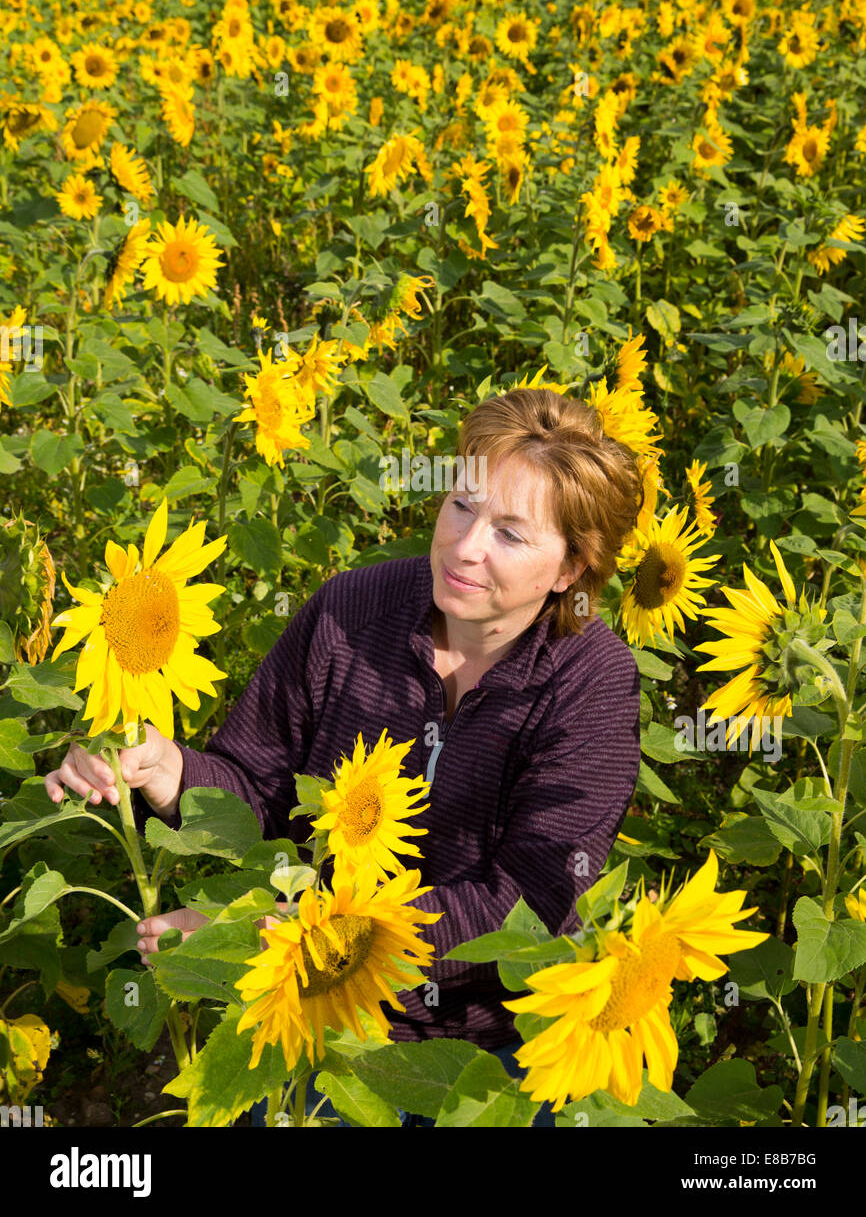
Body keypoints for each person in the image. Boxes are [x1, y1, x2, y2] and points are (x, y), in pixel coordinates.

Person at [46, 387, 644, 1128]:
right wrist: (168, 770)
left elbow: (530, 903)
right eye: (462, 505)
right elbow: (257, 784)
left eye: (511, 535)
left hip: (485, 1055)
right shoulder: (352, 612)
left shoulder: (591, 683)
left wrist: (306, 936)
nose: (464, 546)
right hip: (310, 1019)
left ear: (571, 572)